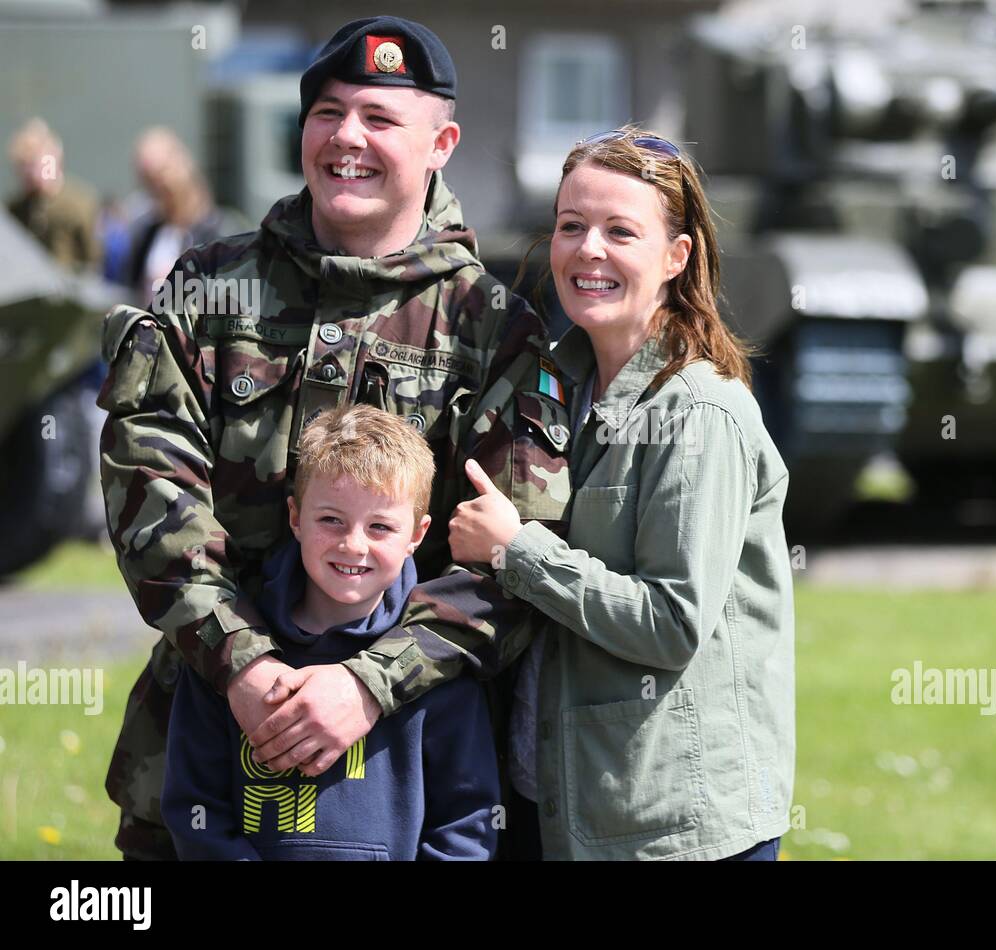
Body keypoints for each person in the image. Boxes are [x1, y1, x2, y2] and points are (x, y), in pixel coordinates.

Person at [99, 15, 569, 860]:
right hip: (201, 752)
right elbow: (150, 489)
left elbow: (519, 557)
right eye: (328, 113)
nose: (347, 138)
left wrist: (369, 685)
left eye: (381, 119)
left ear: (441, 144)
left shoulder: (492, 330)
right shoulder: (209, 289)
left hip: (404, 772)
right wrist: (239, 663)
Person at [449, 127, 796, 860]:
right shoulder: (555, 387)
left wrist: (517, 549)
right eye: (571, 226)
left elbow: (671, 621)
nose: (589, 250)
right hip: (562, 805)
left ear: (677, 257)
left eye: (620, 231)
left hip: (670, 828)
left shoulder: (697, 412)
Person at [162, 406, 499, 860]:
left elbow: (467, 823)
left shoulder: (440, 667)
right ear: (295, 518)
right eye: (331, 520)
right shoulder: (228, 655)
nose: (353, 544)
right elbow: (195, 807)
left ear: (417, 535)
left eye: (380, 526)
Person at [120, 127, 247, 305]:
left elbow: (236, 301)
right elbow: (131, 290)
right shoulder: (147, 233)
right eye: (148, 181)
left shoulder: (223, 232)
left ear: (183, 166)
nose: (157, 187)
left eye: (161, 174)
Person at [6, 118, 102, 271]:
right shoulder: (15, 210)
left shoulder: (79, 202)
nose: (31, 173)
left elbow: (94, 257)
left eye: (35, 164)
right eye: (24, 167)